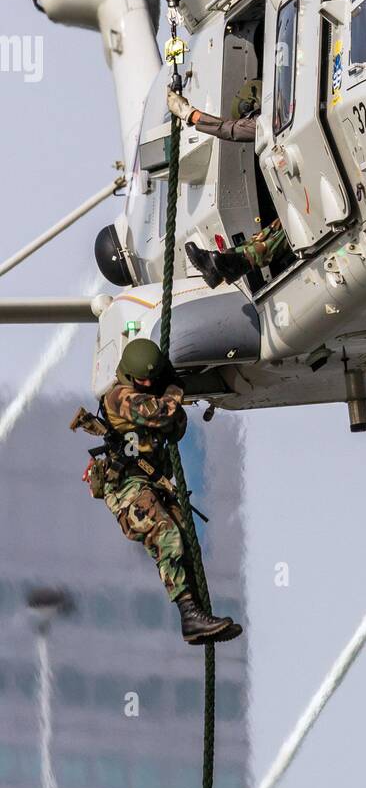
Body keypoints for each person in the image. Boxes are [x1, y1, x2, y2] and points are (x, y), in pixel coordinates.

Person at [71, 339, 241, 645]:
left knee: (188, 541)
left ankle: (198, 615)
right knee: (167, 535)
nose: (147, 384)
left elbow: (176, 427)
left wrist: (171, 402)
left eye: (151, 379)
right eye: (142, 380)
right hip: (126, 486)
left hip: (153, 481)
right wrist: (173, 391)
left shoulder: (151, 394)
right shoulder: (118, 396)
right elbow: (161, 413)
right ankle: (189, 615)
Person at [166, 81, 290, 288]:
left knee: (283, 230)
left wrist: (191, 115)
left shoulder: (279, 116)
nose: (251, 123)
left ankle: (233, 264)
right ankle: (223, 265)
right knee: (277, 228)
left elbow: (230, 129)